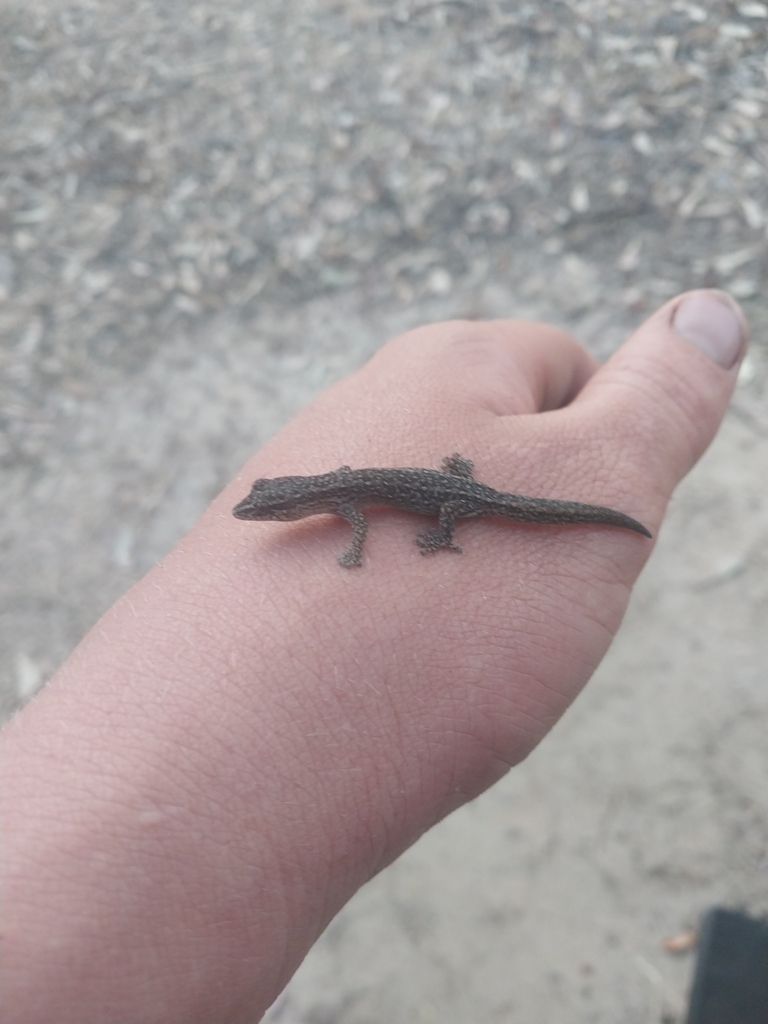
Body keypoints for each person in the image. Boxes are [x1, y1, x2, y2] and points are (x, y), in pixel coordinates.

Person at [0, 290, 747, 1024]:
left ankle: (515, 521)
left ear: (298, 504)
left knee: (470, 510)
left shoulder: (345, 505)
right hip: (455, 484)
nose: (263, 514)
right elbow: (352, 514)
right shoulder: (334, 492)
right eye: (267, 508)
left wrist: (421, 540)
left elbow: (361, 531)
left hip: (461, 501)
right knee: (459, 498)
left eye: (271, 508)